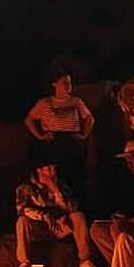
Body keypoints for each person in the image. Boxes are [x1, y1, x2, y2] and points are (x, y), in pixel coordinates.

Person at [14, 158, 102, 267]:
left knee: (78, 216)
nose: (53, 172)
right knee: (22, 221)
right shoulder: (25, 188)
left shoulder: (61, 186)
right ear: (39, 170)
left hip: (60, 226)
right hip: (41, 228)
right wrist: (43, 215)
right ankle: (24, 264)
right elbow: (22, 209)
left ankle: (85, 262)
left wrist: (55, 189)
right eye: (48, 169)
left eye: (54, 168)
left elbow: (72, 208)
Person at [24, 67, 94, 203]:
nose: (68, 86)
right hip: (54, 144)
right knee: (57, 178)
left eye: (69, 82)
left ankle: (78, 209)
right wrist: (40, 136)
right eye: (64, 82)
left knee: (76, 179)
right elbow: (29, 119)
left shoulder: (76, 101)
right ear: (54, 84)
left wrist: (84, 135)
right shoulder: (45, 103)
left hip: (72, 143)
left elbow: (89, 119)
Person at [90, 139, 134, 267]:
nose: (129, 166)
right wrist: (124, 215)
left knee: (118, 227)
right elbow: (132, 206)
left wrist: (132, 218)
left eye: (132, 161)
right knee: (97, 229)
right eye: (127, 162)